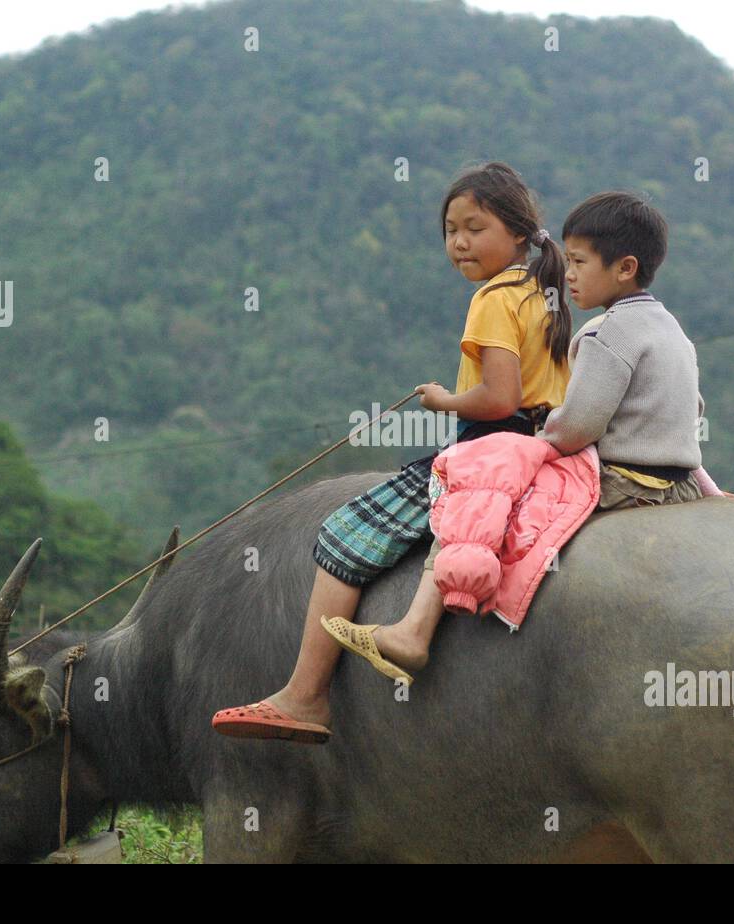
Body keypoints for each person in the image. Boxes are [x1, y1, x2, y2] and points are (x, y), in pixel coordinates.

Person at [211, 160, 572, 743]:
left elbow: (499, 397)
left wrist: (445, 400)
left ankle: (304, 696)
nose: (458, 241)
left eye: (474, 227)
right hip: (544, 451)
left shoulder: (492, 299)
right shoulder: (544, 291)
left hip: (489, 447)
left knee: (343, 534)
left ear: (518, 232)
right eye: (450, 230)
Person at [322, 190, 705, 683]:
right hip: (681, 480)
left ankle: (414, 630)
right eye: (568, 261)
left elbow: (581, 423)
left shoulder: (607, 332)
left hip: (624, 478)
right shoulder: (672, 330)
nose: (568, 275)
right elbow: (695, 409)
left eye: (581, 263)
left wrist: (544, 441)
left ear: (625, 268)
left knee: (482, 496)